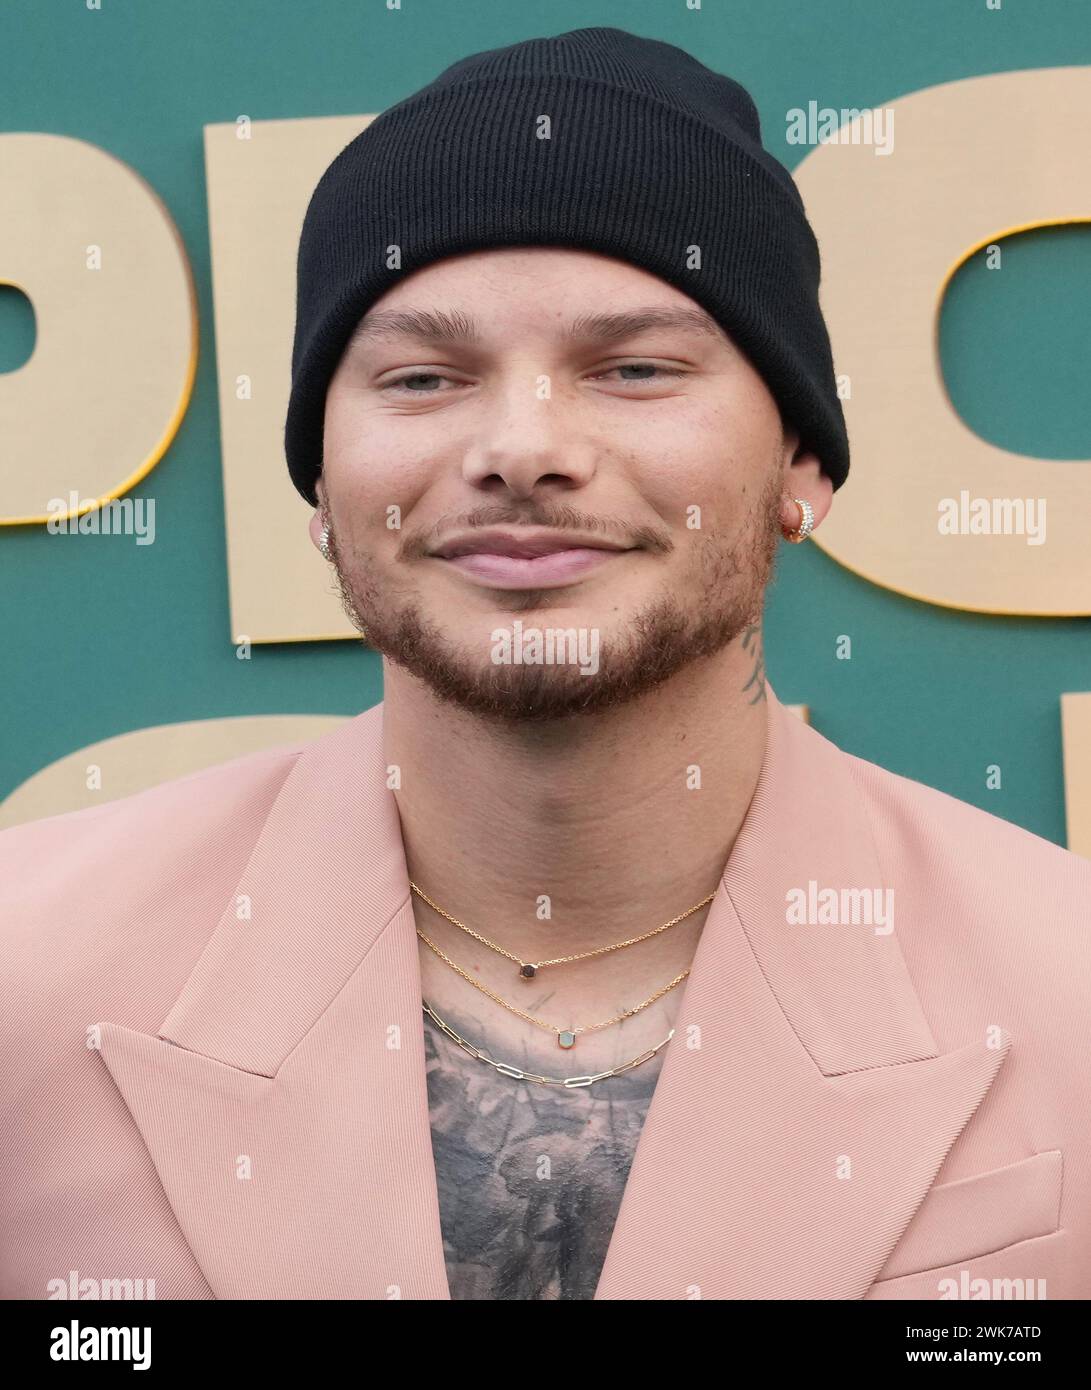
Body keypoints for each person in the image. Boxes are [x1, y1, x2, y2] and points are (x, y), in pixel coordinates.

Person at [2, 27, 1088, 1303]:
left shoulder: (1063, 977)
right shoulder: (25, 957)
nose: (522, 448)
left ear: (801, 464)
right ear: (320, 488)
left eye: (633, 368)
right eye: (421, 376)